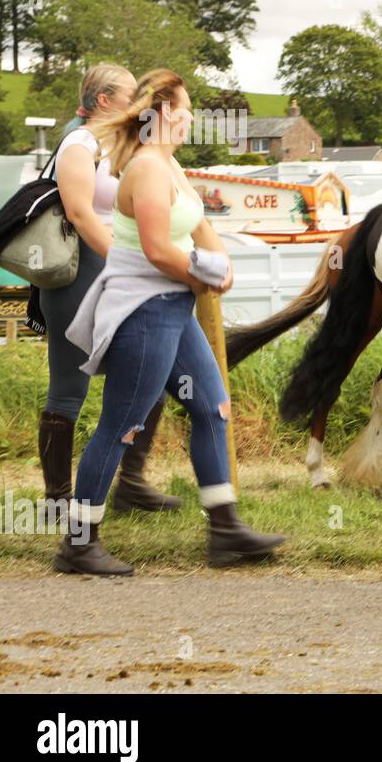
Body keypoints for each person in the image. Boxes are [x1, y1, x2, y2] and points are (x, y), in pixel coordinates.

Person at [53, 69, 286, 575]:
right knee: (121, 425)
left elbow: (200, 225)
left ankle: (225, 529)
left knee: (211, 408)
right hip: (142, 311)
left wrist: (219, 263)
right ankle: (77, 543)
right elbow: (159, 249)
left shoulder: (169, 165)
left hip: (174, 309)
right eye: (184, 110)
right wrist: (204, 273)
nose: (191, 119)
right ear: (161, 114)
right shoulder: (146, 170)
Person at [37, 64, 180, 513]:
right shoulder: (78, 144)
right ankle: (57, 499)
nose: (138, 98)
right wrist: (127, 263)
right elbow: (79, 214)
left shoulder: (127, 146)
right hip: (80, 276)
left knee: (152, 375)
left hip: (123, 274)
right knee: (68, 388)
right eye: (130, 92)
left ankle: (131, 483)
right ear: (103, 101)